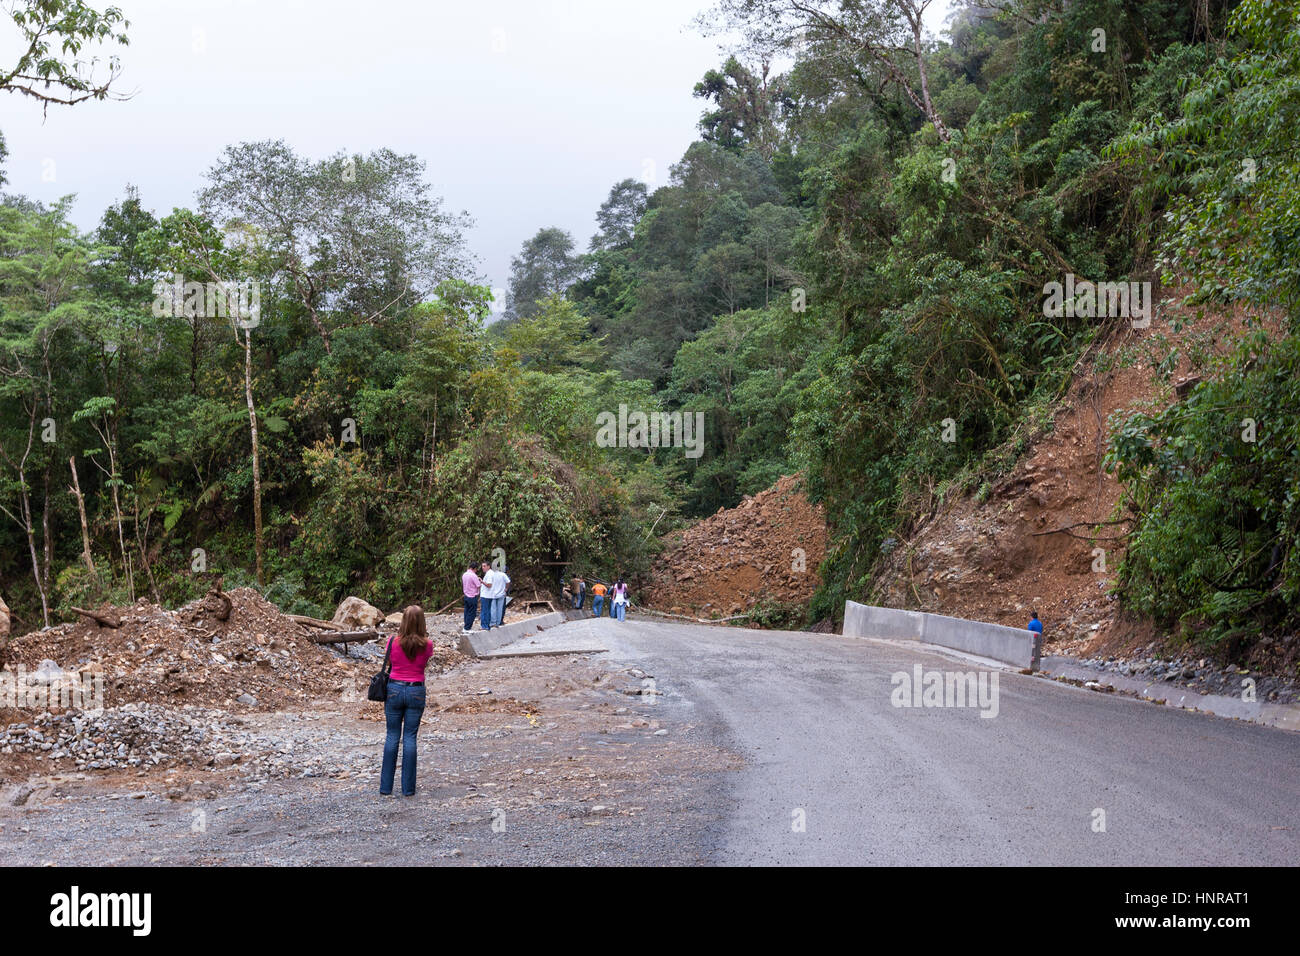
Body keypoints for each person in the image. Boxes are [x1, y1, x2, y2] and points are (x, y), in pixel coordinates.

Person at [380, 606, 432, 797]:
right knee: (410, 737)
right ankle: (408, 788)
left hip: (394, 688)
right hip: (416, 689)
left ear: (402, 620)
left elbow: (392, 663)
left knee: (392, 735)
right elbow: (423, 664)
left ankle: (386, 787)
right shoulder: (428, 645)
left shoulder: (392, 642)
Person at [461, 561, 483, 633]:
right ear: (475, 568)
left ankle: (465, 626)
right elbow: (478, 585)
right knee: (472, 613)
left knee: (466, 611)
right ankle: (467, 628)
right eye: (476, 569)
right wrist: (480, 581)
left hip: (466, 595)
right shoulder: (473, 575)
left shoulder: (464, 574)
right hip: (472, 596)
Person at [479, 561, 497, 631]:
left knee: (484, 611)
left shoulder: (489, 574)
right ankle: (487, 625)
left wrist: (481, 581)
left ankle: (484, 626)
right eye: (482, 566)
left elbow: (489, 585)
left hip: (486, 595)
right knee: (488, 610)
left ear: (488, 566)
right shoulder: (491, 573)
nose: (483, 568)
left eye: (484, 566)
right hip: (489, 595)